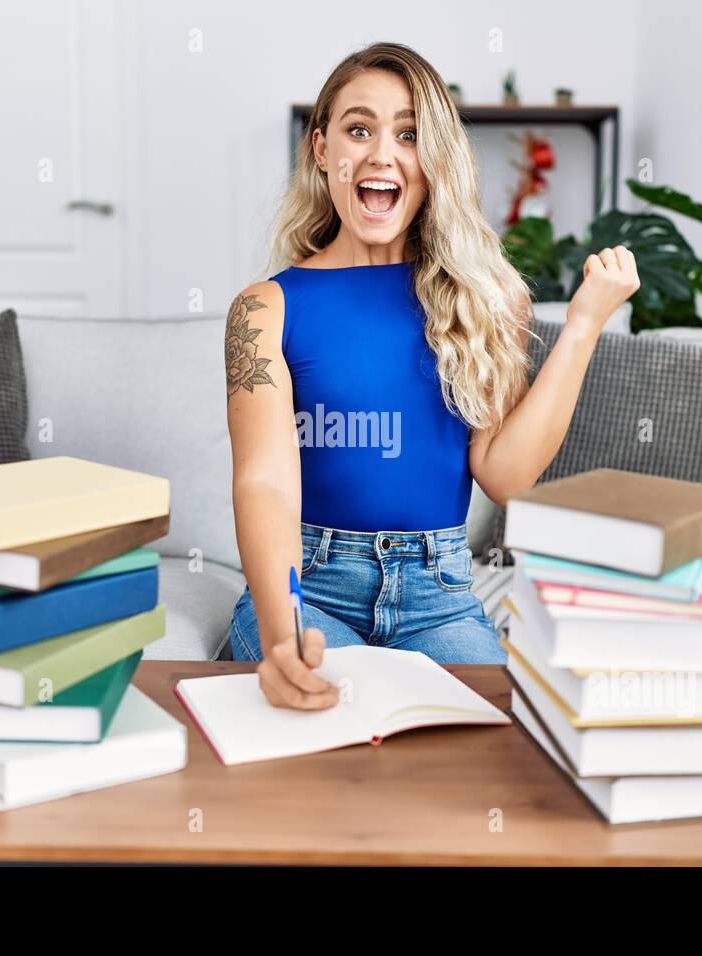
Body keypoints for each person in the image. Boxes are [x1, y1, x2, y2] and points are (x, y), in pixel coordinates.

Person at [225, 42, 639, 710]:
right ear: (322, 149)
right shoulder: (263, 309)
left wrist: (585, 324)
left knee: (494, 745)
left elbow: (506, 476)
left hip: (439, 600)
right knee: (342, 729)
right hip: (313, 584)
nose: (382, 154)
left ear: (434, 158)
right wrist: (283, 633)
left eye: (410, 134)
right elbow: (266, 483)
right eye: (359, 130)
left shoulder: (487, 297)